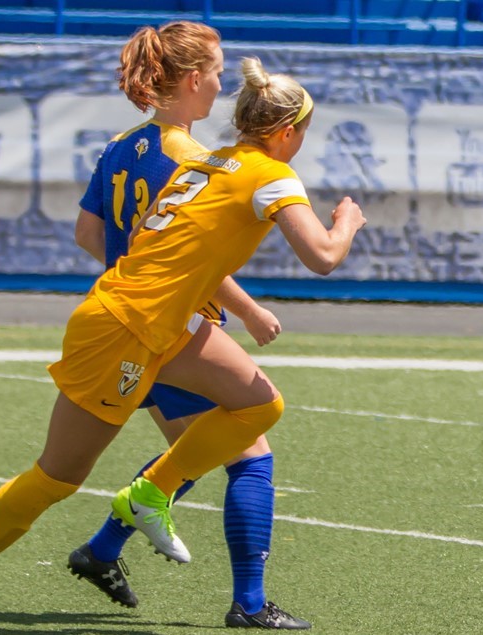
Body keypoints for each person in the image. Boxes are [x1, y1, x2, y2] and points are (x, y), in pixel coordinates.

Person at [0, 54, 366, 629]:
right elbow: (322, 257)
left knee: (261, 404)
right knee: (56, 479)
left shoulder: (210, 160)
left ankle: (149, 498)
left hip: (157, 319)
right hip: (128, 327)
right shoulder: (268, 173)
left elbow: (123, 237)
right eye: (303, 134)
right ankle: (176, 537)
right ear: (286, 132)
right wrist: (347, 222)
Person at [64, 23, 309, 629]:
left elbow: (89, 234)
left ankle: (102, 550)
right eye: (219, 72)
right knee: (249, 451)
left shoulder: (122, 143)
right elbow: (188, 252)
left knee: (194, 453)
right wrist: (249, 309)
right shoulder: (194, 158)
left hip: (123, 320)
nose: (224, 85)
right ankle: (249, 605)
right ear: (194, 79)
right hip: (173, 326)